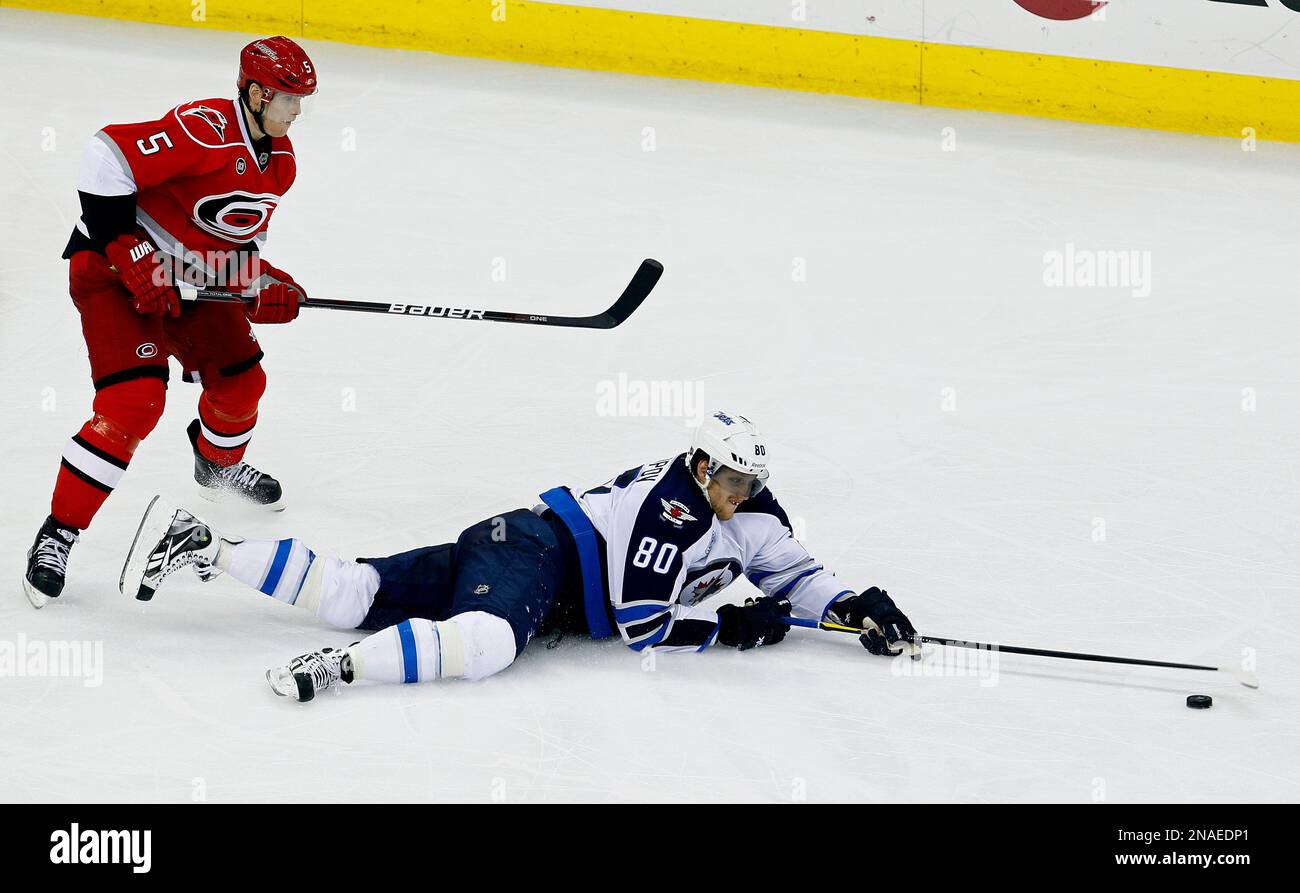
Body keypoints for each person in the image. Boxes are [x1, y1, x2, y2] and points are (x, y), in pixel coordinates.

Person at [119, 411, 919, 701]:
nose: (743, 493)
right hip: (536, 556)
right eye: (734, 478)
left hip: (513, 541)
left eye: (754, 482)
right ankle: (341, 667)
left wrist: (850, 608)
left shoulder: (747, 511)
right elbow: (642, 626)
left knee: (357, 587)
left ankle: (205, 546)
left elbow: (793, 574)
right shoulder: (669, 508)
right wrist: (732, 630)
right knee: (490, 643)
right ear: (703, 465)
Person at [24, 37, 319, 609]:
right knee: (134, 404)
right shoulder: (204, 128)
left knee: (242, 382)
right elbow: (104, 155)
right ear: (256, 93)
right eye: (288, 98)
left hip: (189, 281)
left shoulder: (280, 164)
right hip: (114, 273)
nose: (297, 111)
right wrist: (127, 248)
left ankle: (216, 467)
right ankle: (59, 533)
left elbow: (233, 241)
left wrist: (260, 285)